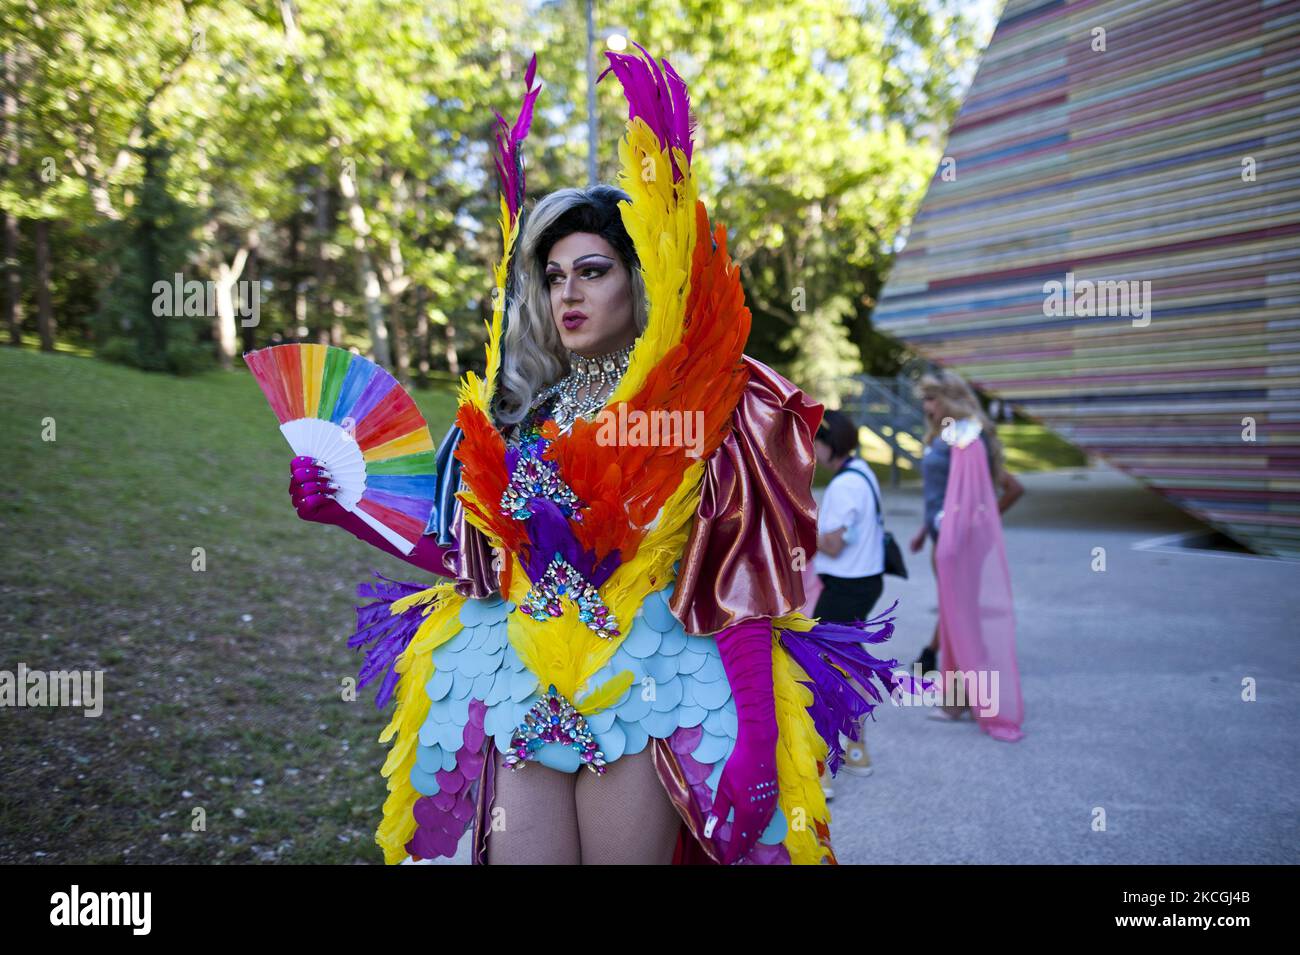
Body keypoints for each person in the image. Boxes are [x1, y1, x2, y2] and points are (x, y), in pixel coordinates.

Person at [285, 46, 904, 864]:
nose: (567, 292)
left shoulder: (703, 406)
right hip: (518, 680)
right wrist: (348, 506)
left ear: (638, 283)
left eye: (593, 270)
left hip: (642, 688)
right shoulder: (518, 413)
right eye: (552, 275)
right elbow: (473, 564)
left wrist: (757, 741)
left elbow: (737, 582)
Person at [908, 370, 1025, 741]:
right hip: (946, 538)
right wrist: (926, 529)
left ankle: (972, 701)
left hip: (957, 543)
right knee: (956, 615)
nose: (926, 407)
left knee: (964, 619)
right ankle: (962, 698)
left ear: (950, 399)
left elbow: (973, 496)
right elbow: (945, 494)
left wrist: (971, 529)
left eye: (932, 398)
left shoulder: (964, 435)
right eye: (925, 399)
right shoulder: (951, 435)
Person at [812, 409, 886, 790]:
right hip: (865, 583)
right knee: (848, 669)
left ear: (829, 443)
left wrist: (795, 527)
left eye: (815, 441)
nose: (812, 449)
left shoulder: (843, 486)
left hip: (844, 586)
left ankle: (824, 769)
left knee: (819, 672)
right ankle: (856, 752)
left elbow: (834, 546)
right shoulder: (863, 473)